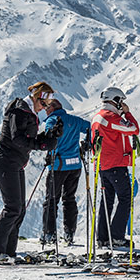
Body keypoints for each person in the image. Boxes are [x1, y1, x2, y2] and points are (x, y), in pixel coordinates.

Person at [0, 82, 61, 263]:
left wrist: (49, 138)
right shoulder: (19, 110)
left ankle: (7, 251)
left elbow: (29, 139)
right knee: (13, 207)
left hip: (15, 162)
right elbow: (18, 139)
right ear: (38, 97)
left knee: (19, 209)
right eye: (45, 103)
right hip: (5, 160)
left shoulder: (28, 112)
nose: (45, 107)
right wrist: (41, 144)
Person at [90, 87, 140, 249]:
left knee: (107, 201)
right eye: (121, 101)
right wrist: (127, 113)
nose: (122, 104)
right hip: (116, 165)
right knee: (126, 198)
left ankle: (103, 238)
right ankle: (117, 237)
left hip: (102, 165)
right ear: (116, 100)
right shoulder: (111, 117)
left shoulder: (97, 117)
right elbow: (133, 129)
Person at [40, 98, 89, 245]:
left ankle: (49, 234)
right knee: (69, 199)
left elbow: (48, 139)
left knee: (51, 200)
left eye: (46, 108)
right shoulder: (74, 120)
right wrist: (87, 145)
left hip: (58, 166)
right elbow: (92, 128)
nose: (45, 111)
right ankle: (69, 233)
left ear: (52, 108)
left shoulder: (52, 121)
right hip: (75, 165)